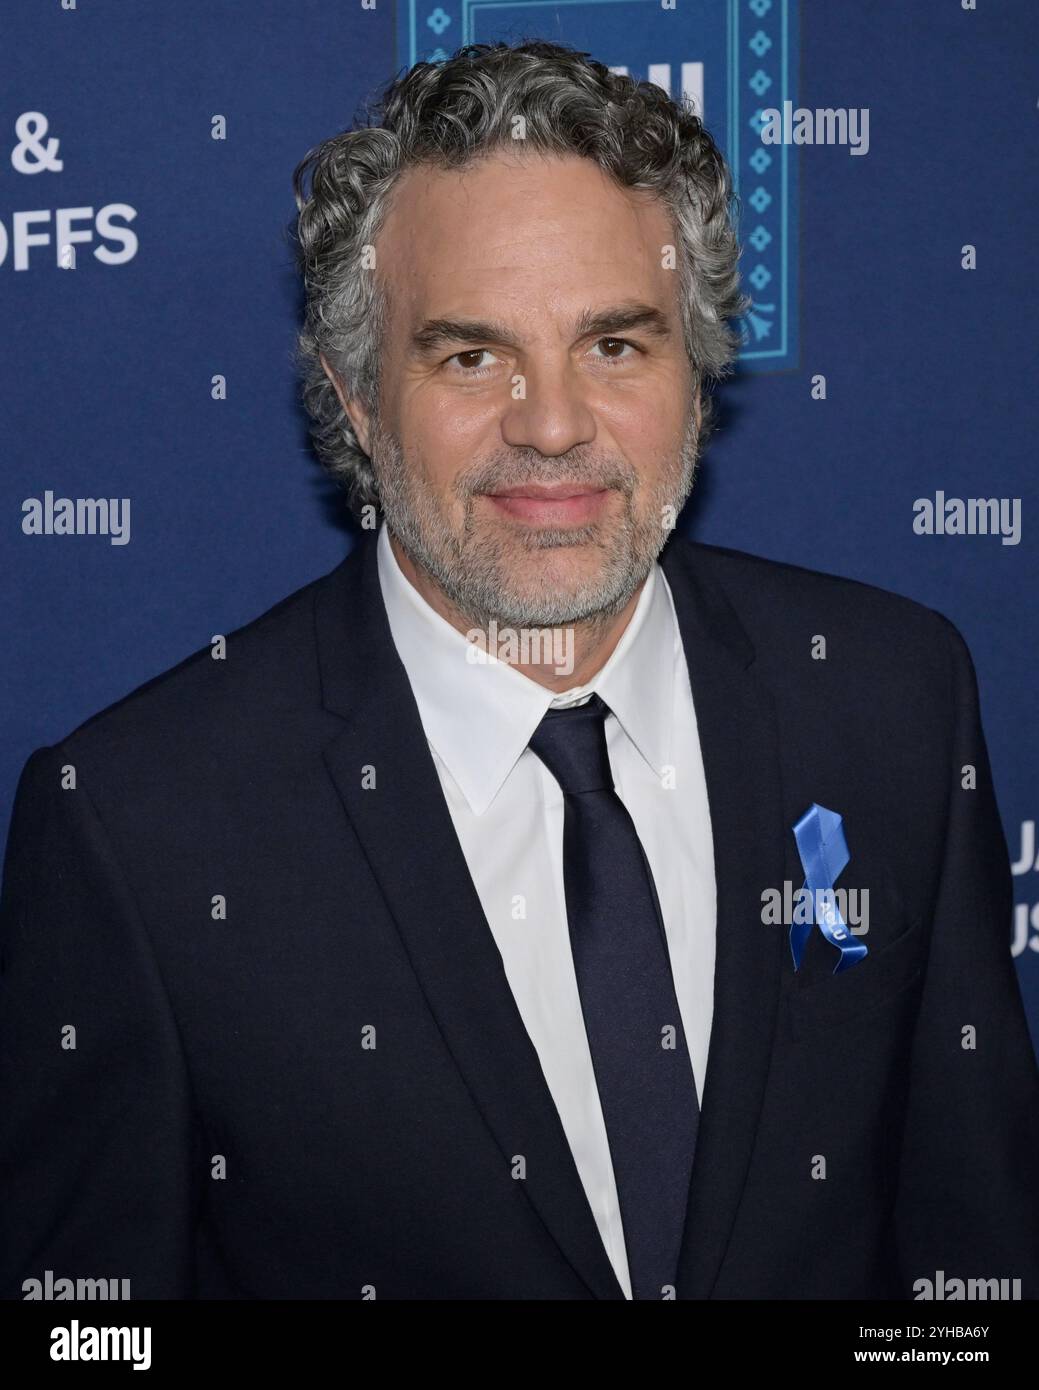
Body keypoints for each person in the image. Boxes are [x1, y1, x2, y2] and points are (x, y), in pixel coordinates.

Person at [2, 40, 1037, 1301]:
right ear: (356, 401)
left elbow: (974, 1269)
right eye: (468, 355)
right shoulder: (139, 826)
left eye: (614, 346)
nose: (550, 426)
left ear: (698, 384)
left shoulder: (894, 701)